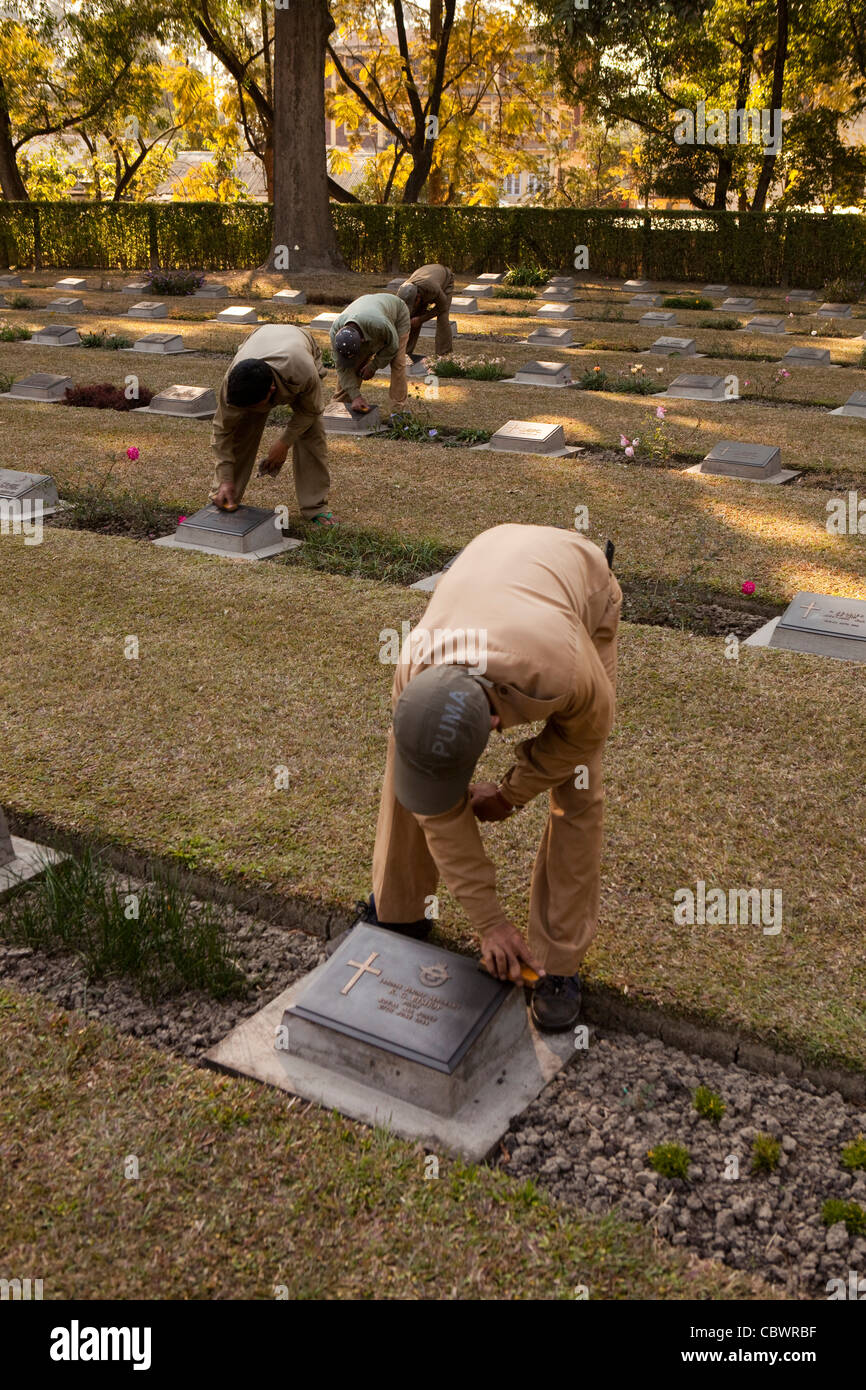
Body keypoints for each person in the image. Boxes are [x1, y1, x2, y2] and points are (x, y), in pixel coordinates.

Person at [362, 524, 621, 1033]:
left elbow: (580, 740)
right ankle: (399, 911)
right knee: (409, 755)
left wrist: (510, 794)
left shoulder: (567, 673)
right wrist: (489, 924)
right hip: (493, 556)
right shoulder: (414, 664)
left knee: (580, 787)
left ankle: (557, 966)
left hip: (583, 589)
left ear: (497, 723)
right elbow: (437, 813)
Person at [209, 323, 335, 527]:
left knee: (312, 432)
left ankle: (315, 508)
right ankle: (225, 493)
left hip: (300, 344)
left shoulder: (303, 370)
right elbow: (222, 431)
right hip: (259, 338)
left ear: (272, 391)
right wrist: (225, 477)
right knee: (242, 429)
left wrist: (284, 443)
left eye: (255, 405)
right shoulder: (233, 383)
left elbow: (310, 410)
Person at [330, 292, 410, 414]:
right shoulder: (335, 333)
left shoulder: (380, 325)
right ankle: (339, 407)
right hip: (366, 310)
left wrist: (373, 366)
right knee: (351, 364)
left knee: (397, 362)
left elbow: (392, 347)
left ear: (362, 340)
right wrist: (356, 396)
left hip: (397, 314)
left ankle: (398, 411)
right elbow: (343, 368)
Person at [396, 263, 455, 358]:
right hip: (426, 275)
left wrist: (420, 319)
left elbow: (442, 307)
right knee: (412, 317)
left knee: (442, 316)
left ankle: (444, 356)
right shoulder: (404, 290)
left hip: (445, 279)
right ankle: (405, 353)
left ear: (418, 298)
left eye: (413, 304)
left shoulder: (433, 288)